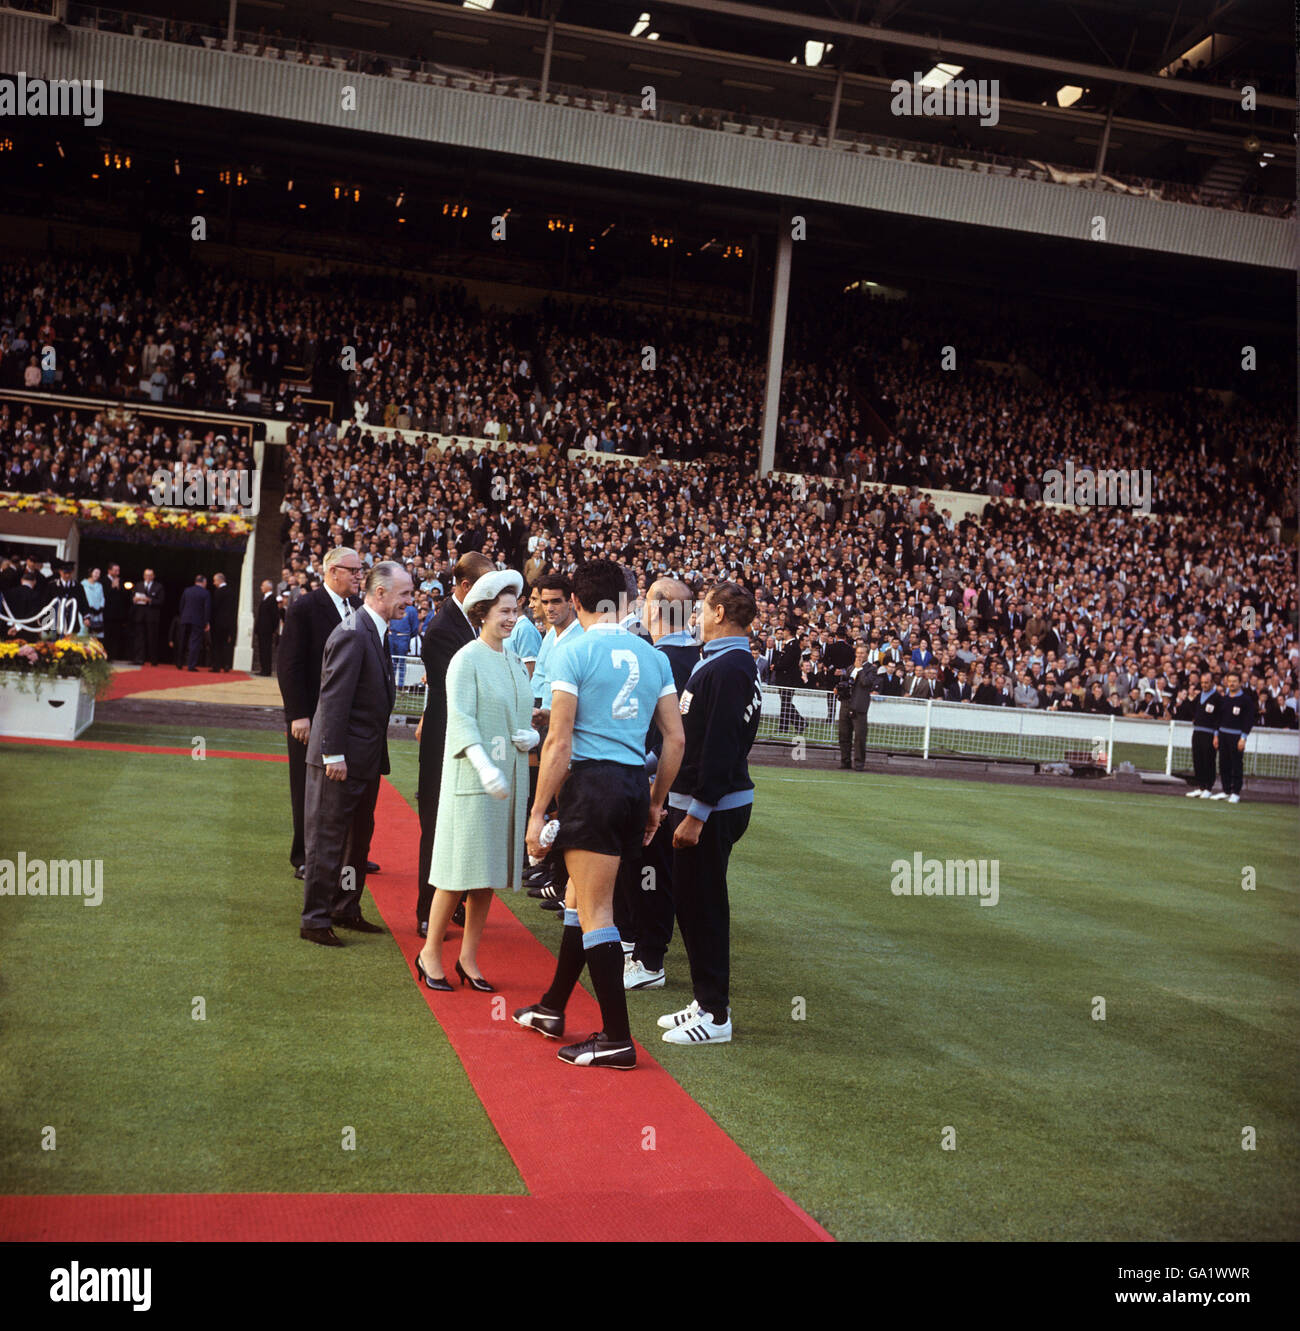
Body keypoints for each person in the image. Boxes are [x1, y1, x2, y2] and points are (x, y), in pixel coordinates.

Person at [514, 559, 685, 1071]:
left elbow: (559, 741)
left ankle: (616, 1037)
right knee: (577, 897)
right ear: (626, 601)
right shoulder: (652, 656)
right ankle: (552, 1007)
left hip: (593, 786)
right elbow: (675, 738)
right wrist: (655, 802)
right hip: (633, 785)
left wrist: (538, 811)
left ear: (579, 601)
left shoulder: (575, 650)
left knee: (596, 912)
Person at [414, 570, 537, 991]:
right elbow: (461, 718)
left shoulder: (515, 662)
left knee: (488, 876)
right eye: (504, 611)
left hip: (508, 783)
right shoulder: (466, 658)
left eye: (515, 610)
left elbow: (524, 711)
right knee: (457, 873)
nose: (511, 618)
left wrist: (532, 733)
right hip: (473, 781)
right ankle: (430, 952)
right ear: (482, 612)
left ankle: (468, 958)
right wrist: (485, 765)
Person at [658, 581, 763, 1046]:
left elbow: (721, 746)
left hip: (711, 809)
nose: (696, 618)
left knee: (703, 906)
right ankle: (705, 1001)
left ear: (719, 612)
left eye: (701, 611)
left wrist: (697, 814)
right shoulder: (726, 662)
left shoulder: (731, 667)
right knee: (691, 901)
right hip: (704, 803)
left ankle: (716, 1013)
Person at [300, 561, 413, 946]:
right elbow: (333, 700)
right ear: (379, 593)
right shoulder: (353, 632)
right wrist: (333, 756)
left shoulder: (373, 632)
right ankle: (315, 920)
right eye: (405, 594)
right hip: (340, 763)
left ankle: (345, 908)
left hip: (361, 761)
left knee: (356, 843)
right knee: (328, 841)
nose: (409, 603)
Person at [617, 577, 700, 991]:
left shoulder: (656, 658)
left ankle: (649, 959)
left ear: (657, 608)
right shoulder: (699, 657)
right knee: (653, 874)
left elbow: (662, 735)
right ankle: (640, 948)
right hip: (682, 785)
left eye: (645, 603)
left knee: (648, 872)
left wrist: (653, 787)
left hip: (658, 783)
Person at [415, 551, 493, 937]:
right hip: (446, 743)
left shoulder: (469, 624)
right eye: (485, 588)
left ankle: (453, 904)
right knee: (437, 826)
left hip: (461, 740)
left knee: (462, 827)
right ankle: (427, 912)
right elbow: (460, 692)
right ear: (465, 587)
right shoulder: (445, 628)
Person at [277, 547, 365, 879]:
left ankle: (346, 853)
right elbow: (289, 664)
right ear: (332, 572)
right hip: (310, 716)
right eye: (353, 570)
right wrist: (297, 713)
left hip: (347, 716)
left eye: (360, 570)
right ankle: (304, 855)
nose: (359, 576)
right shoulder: (304, 607)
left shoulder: (357, 608)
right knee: (307, 786)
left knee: (348, 785)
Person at [1211, 668, 1255, 804]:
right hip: (1222, 735)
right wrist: (1216, 735)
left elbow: (1249, 720)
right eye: (1229, 681)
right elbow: (1218, 718)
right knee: (1223, 764)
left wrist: (1243, 737)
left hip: (1236, 737)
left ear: (1240, 683)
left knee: (1236, 764)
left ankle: (1236, 792)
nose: (1231, 684)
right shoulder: (1224, 699)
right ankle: (1225, 791)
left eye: (1234, 682)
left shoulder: (1246, 700)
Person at [837, 641, 876, 770]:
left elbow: (866, 683)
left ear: (867, 655)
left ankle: (859, 763)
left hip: (859, 706)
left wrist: (860, 669)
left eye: (862, 653)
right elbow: (845, 682)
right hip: (846, 704)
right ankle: (845, 761)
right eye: (857, 653)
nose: (859, 655)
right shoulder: (850, 667)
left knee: (859, 737)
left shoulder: (871, 669)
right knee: (844, 734)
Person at [1186, 669, 1221, 797]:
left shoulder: (1217, 698)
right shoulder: (1199, 696)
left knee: (1208, 760)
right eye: (1202, 683)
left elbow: (1219, 718)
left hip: (1210, 734)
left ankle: (1208, 787)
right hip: (1197, 732)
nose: (1204, 685)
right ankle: (1200, 786)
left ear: (1212, 683)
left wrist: (1216, 735)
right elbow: (1191, 710)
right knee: (1198, 759)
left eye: (1206, 683)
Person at [176, 574, 211, 672]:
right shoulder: (206, 593)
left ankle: (179, 663)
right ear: (203, 582)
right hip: (198, 621)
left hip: (185, 619)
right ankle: (191, 665)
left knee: (182, 641)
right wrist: (206, 622)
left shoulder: (187, 590)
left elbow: (181, 605)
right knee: (194, 643)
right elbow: (207, 609)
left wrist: (183, 616)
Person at [131, 568, 164, 664]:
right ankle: (139, 658)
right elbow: (132, 598)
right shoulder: (138, 585)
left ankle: (153, 659)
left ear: (153, 576)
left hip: (152, 617)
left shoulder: (158, 587)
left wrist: (150, 600)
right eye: (146, 575)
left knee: (152, 638)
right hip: (139, 616)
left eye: (150, 575)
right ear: (143, 576)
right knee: (139, 638)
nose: (148, 577)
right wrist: (134, 600)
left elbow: (161, 601)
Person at [210, 571, 236, 672]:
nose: (214, 583)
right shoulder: (231, 591)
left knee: (216, 644)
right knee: (225, 645)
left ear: (220, 580)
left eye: (215, 581)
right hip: (228, 623)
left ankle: (216, 666)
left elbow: (215, 607)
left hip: (218, 623)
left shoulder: (218, 592)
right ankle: (226, 665)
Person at [102, 564, 130, 660]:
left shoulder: (121, 581)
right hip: (107, 613)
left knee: (116, 636)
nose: (117, 573)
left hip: (118, 614)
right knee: (107, 635)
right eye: (115, 570)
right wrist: (112, 587)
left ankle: (114, 655)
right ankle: (105, 656)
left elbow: (126, 596)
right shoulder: (103, 581)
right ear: (109, 571)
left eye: (118, 570)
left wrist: (119, 587)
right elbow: (104, 595)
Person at [255, 579, 279, 675]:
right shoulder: (264, 598)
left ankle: (266, 670)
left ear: (268, 587)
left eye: (262, 585)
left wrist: (272, 629)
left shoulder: (272, 599)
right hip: (262, 629)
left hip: (267, 630)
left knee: (266, 650)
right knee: (262, 649)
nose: (261, 587)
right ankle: (263, 669)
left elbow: (275, 616)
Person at [80, 566, 105, 640]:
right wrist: (89, 608)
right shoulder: (83, 584)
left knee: (96, 634)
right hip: (87, 612)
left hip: (97, 613)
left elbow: (102, 598)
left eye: (99, 574)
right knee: (86, 633)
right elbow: (82, 598)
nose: (97, 575)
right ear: (91, 573)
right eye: (96, 573)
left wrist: (101, 607)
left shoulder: (99, 586)